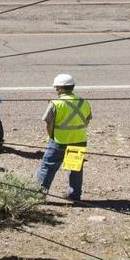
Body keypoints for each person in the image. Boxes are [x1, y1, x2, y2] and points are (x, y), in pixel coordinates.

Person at [36, 74, 92, 202]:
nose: (55, 89)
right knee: (75, 169)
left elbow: (48, 123)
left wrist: (52, 136)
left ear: (60, 89)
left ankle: (39, 194)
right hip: (79, 141)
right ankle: (74, 195)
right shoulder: (83, 102)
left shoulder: (56, 103)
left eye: (56, 87)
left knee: (48, 166)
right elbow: (88, 119)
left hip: (59, 141)